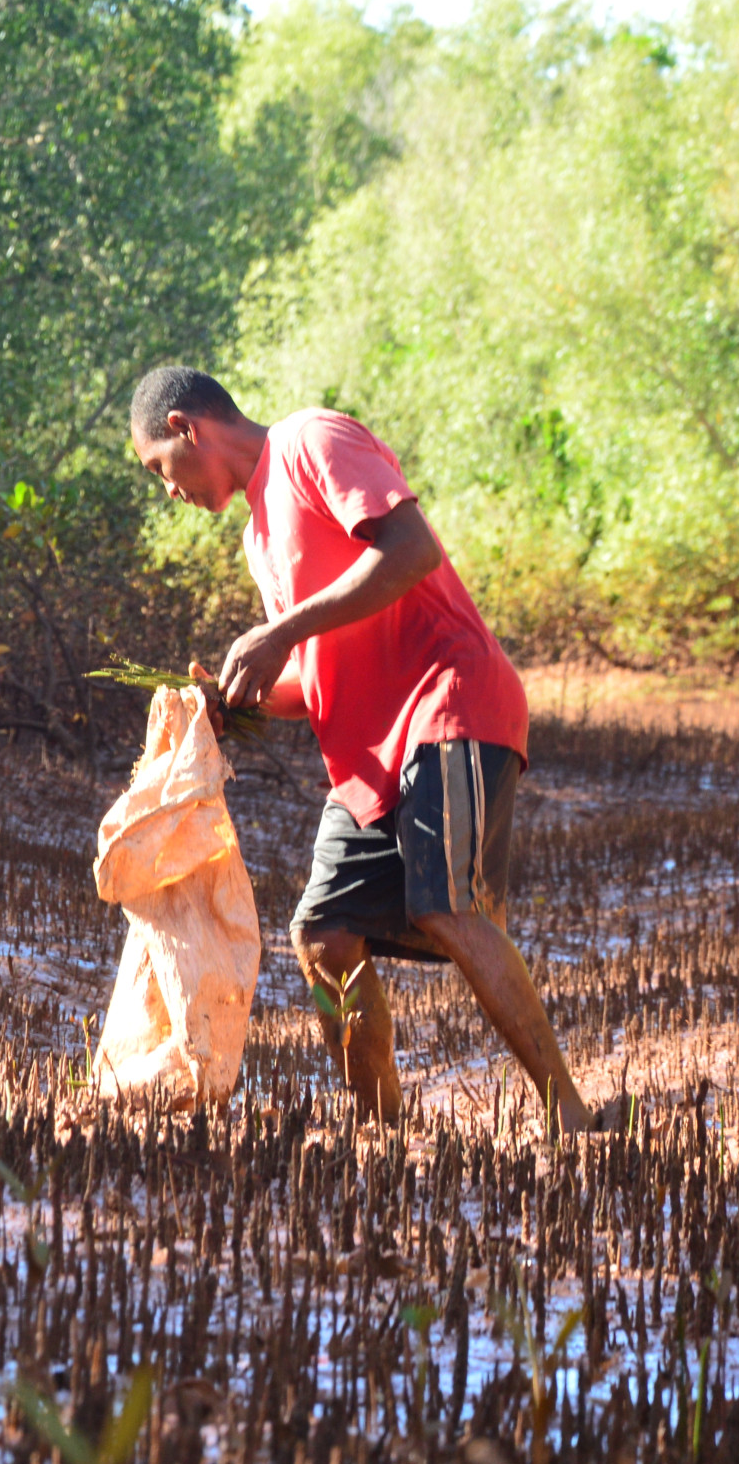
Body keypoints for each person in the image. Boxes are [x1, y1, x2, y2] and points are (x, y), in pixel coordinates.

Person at [127, 366, 596, 1130]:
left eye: (159, 470)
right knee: (321, 934)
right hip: (370, 760)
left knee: (447, 903)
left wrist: (279, 632)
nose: (168, 492)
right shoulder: (257, 536)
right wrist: (227, 706)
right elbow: (316, 675)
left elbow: (411, 550)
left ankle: (571, 1113)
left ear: (187, 427)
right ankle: (385, 1130)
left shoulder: (311, 439)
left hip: (450, 700)